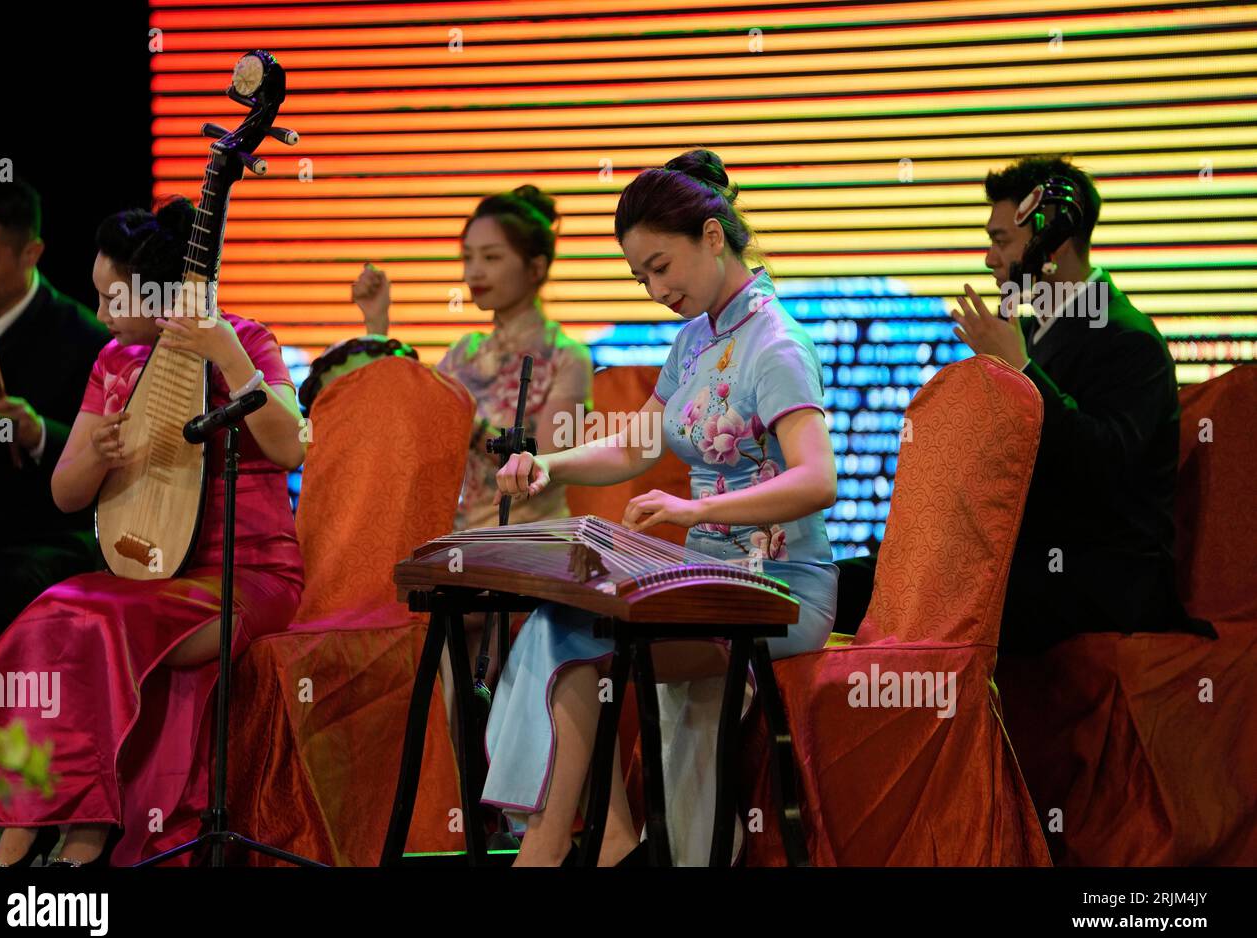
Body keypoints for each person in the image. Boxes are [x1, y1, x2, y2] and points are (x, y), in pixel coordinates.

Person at [483, 149, 839, 865]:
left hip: (777, 589)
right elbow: (635, 447)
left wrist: (690, 514)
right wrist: (544, 461)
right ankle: (601, 842)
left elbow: (817, 480)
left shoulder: (775, 344)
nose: (654, 288)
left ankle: (558, 848)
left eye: (661, 266)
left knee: (572, 635)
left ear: (713, 237)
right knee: (562, 623)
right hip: (710, 580)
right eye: (640, 274)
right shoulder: (696, 339)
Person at [0, 197, 306, 866]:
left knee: (97, 624)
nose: (99, 315)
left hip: (248, 576)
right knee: (45, 619)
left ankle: (86, 837)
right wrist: (101, 452)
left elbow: (291, 446)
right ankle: (30, 830)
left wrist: (227, 353)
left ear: (159, 298)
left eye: (111, 299)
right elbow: (66, 494)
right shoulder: (116, 362)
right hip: (151, 569)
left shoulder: (246, 339)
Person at [832, 154, 1201, 652]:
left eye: (1001, 241)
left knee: (928, 586)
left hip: (1101, 574)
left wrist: (1024, 374)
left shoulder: (1127, 338)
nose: (988, 258)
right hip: (1031, 555)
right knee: (846, 580)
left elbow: (1102, 467)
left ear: (1054, 244)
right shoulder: (1030, 333)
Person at [348, 185, 593, 530]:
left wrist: (463, 418)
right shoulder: (465, 352)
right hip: (459, 538)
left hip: (533, 543)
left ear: (535, 267)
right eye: (468, 257)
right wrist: (377, 324)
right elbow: (407, 419)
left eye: (491, 257)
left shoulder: (568, 357)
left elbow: (541, 467)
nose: (473, 272)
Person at [0, 166, 110, 666]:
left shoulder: (84, 339)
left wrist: (41, 432)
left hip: (38, 538)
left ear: (31, 253)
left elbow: (105, 456)